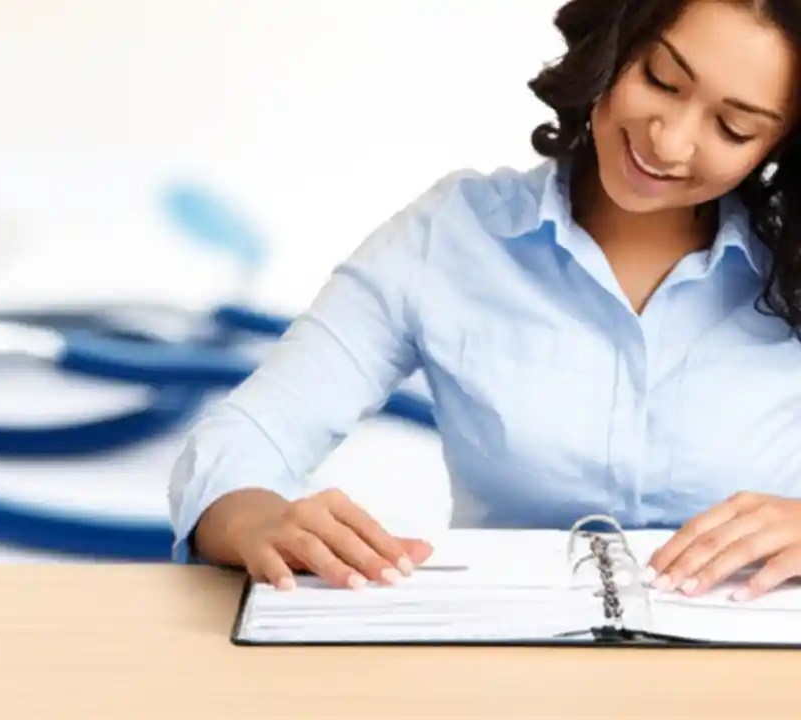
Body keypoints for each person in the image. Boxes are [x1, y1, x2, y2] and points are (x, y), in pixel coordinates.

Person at [168, 0, 801, 603]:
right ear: (616, 45)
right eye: (661, 80)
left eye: (733, 127)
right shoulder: (453, 235)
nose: (670, 142)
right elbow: (246, 436)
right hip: (506, 671)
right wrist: (256, 518)